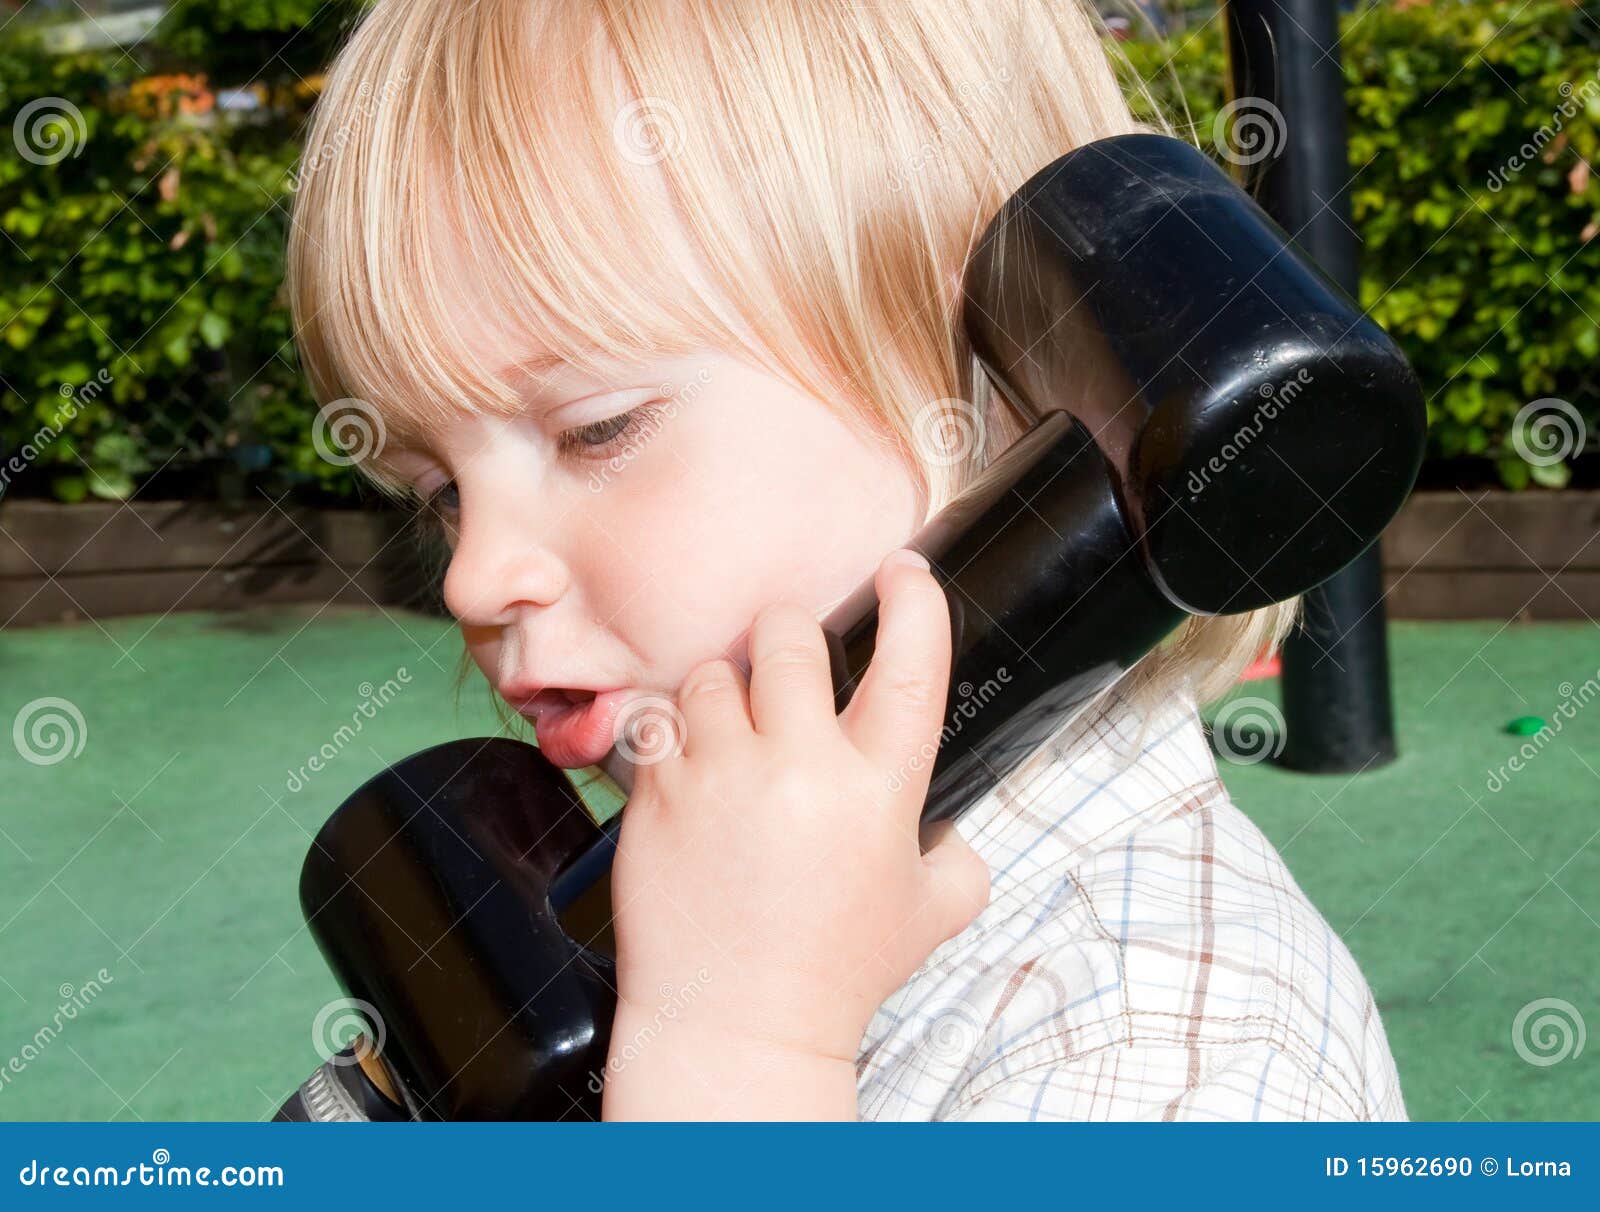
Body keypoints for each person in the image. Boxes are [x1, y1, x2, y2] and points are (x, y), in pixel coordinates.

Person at [285, 0, 1406, 1121]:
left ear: (1012, 401)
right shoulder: (661, 926)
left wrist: (737, 1050)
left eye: (596, 429)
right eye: (438, 493)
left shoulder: (1168, 1055)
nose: (473, 578)